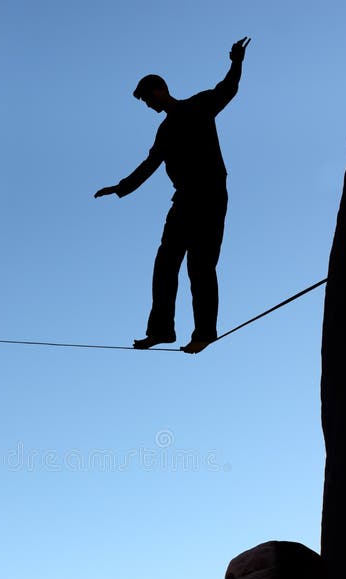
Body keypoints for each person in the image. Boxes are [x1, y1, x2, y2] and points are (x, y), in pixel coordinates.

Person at [95, 37, 251, 353]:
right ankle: (163, 330)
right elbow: (150, 163)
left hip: (209, 196)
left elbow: (227, 89)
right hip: (183, 200)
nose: (148, 106)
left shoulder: (198, 105)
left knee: (200, 265)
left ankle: (205, 332)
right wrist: (121, 187)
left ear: (158, 90)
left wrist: (236, 62)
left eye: (146, 100)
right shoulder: (165, 131)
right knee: (165, 263)